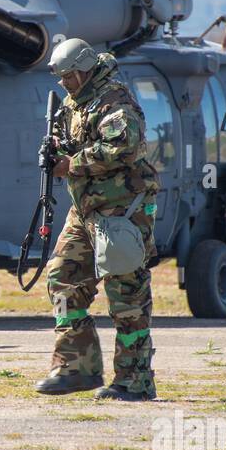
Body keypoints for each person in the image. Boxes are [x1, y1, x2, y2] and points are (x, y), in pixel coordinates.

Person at [35, 38, 160, 401]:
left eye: (69, 75)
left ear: (85, 69)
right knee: (62, 279)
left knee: (126, 295)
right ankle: (76, 366)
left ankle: (134, 381)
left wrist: (71, 164)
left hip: (122, 210)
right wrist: (55, 150)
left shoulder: (113, 101)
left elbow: (125, 145)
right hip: (85, 210)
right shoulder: (75, 104)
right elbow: (70, 142)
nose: (63, 83)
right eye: (60, 77)